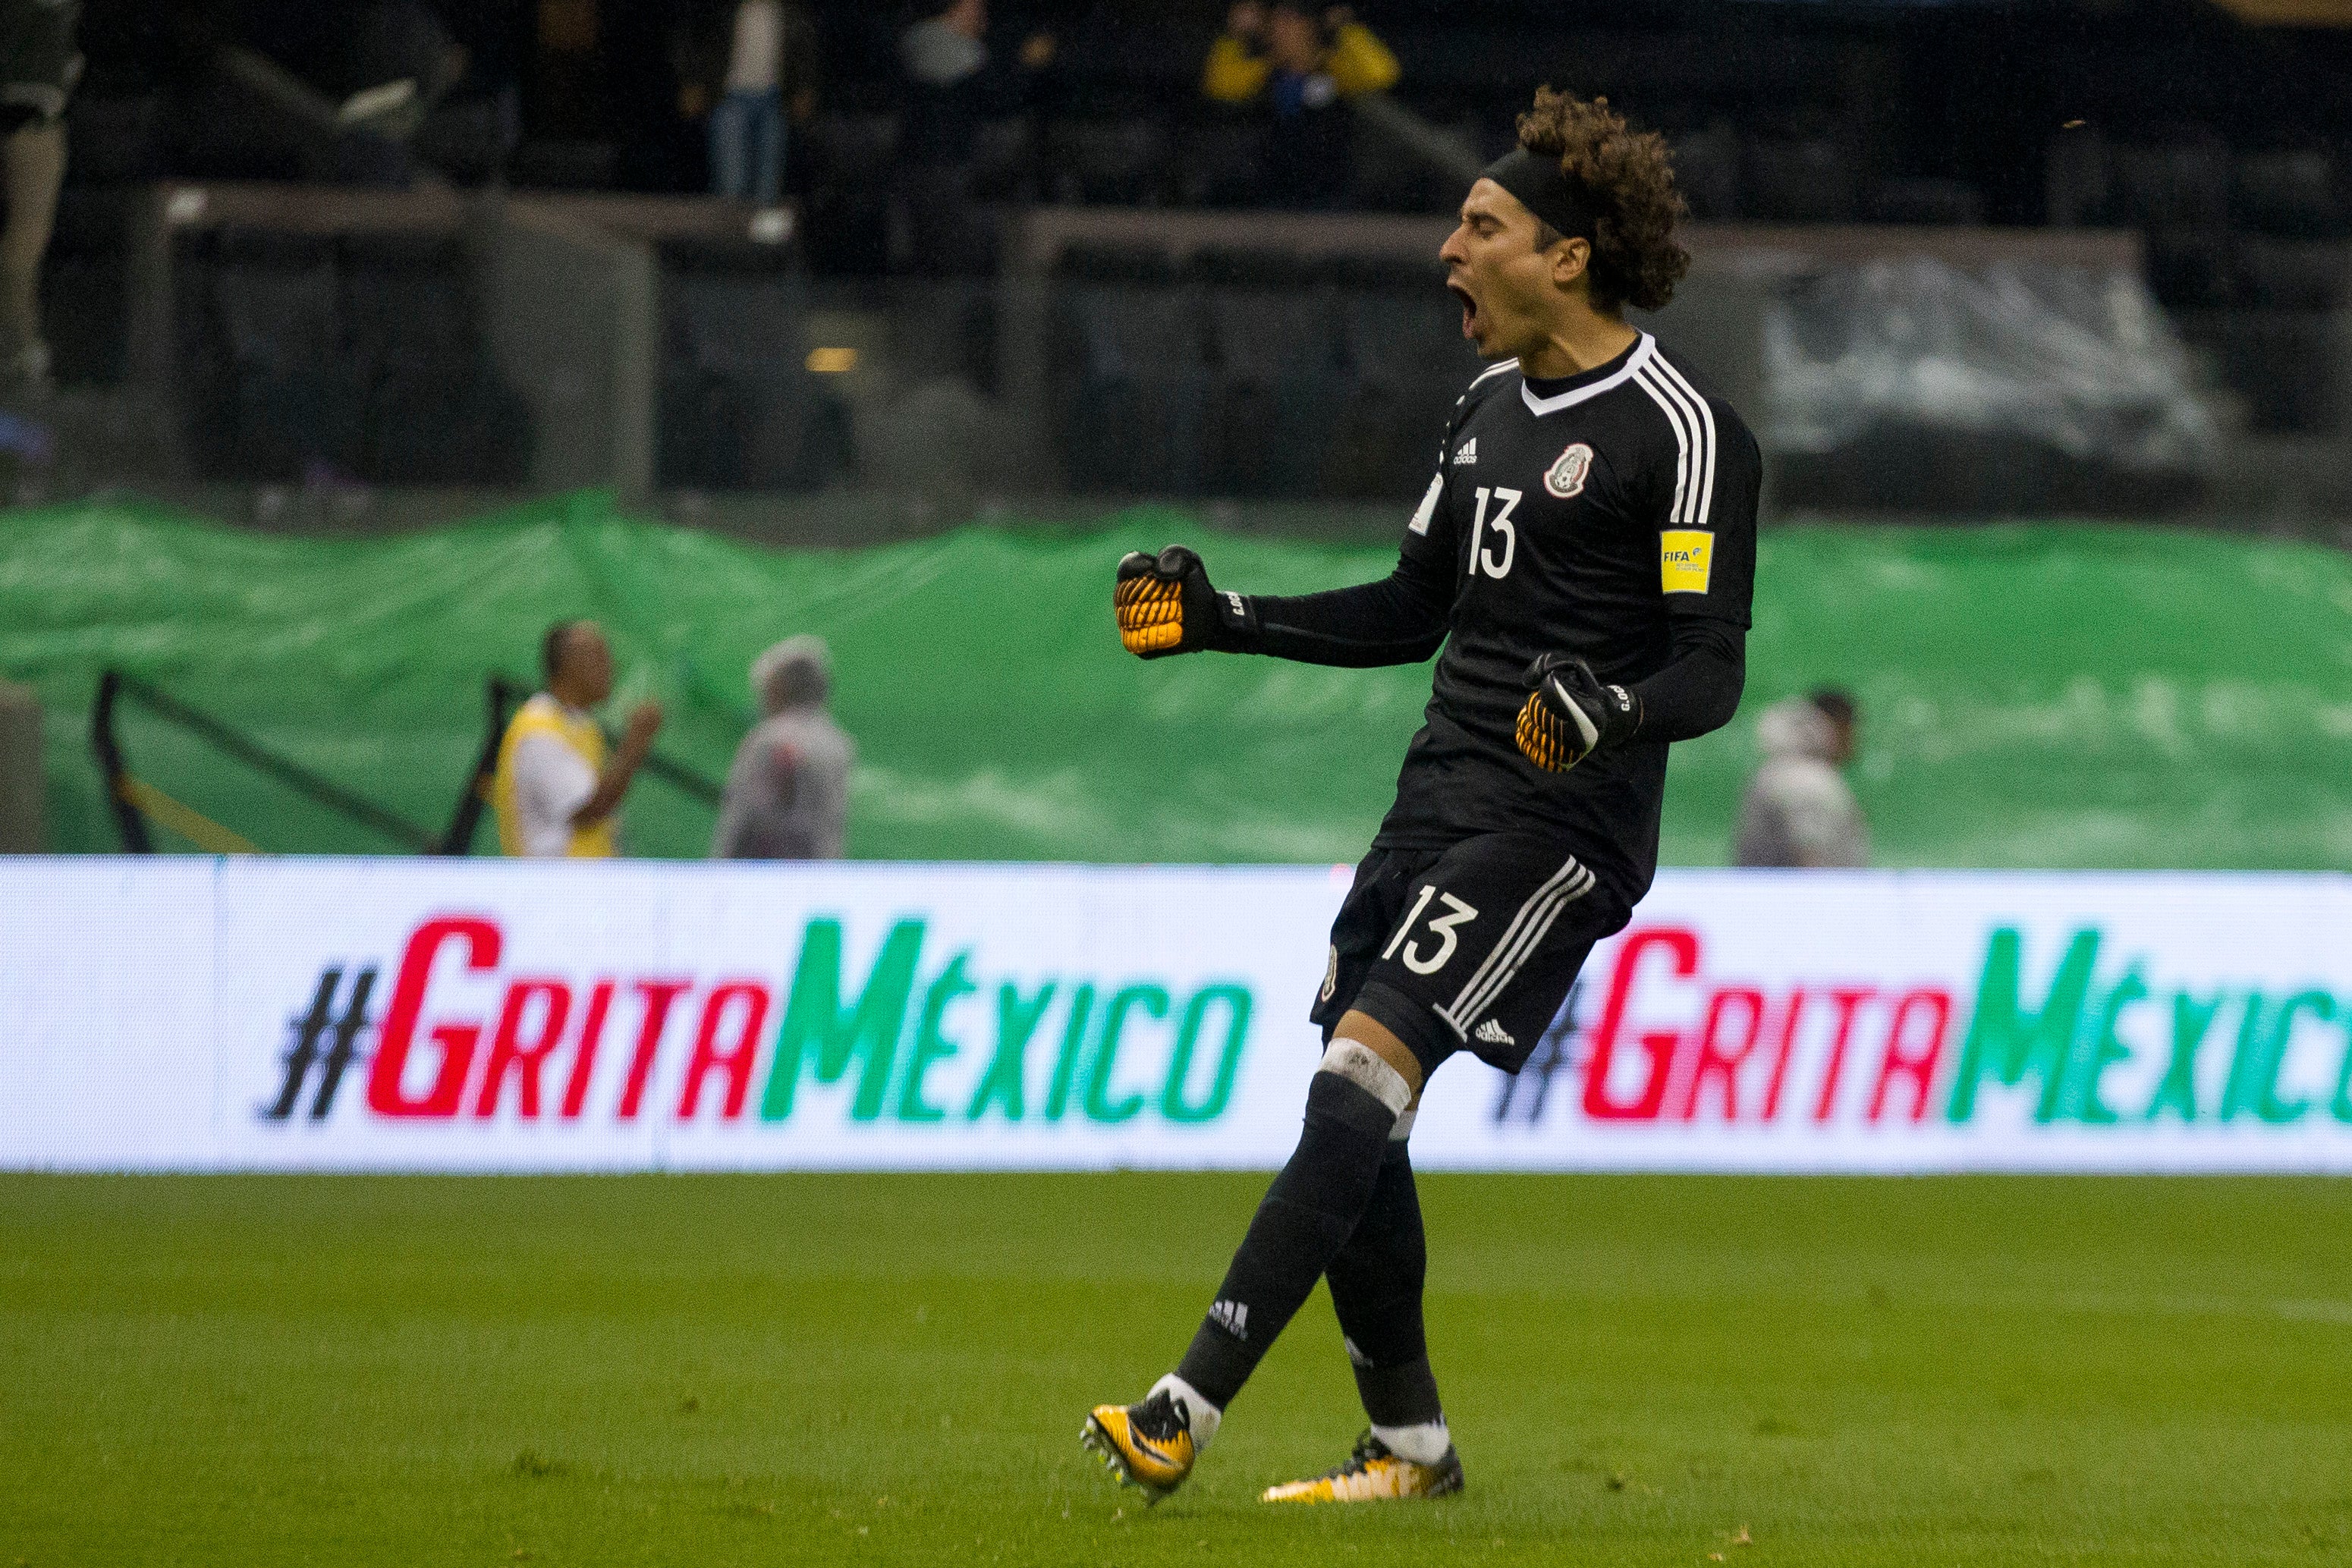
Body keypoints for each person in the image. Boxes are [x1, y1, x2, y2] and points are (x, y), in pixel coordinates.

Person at [1084, 88, 1759, 1505]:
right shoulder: (1479, 407)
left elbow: (1709, 667)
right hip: (1432, 799)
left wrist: (1616, 708)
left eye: (1479, 225)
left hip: (1556, 824)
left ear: (1564, 254)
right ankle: (1409, 1445)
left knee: (1362, 1076)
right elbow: (1412, 607)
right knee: (1357, 1104)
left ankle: (1183, 1407)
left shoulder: (1683, 430)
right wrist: (1227, 617)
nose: (1447, 250)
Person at [895, 0, 1051, 273]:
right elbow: (1000, 96)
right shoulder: (929, 39)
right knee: (941, 257)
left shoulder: (959, 48)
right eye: (976, 10)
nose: (983, 21)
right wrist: (1027, 64)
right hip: (935, 167)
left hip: (947, 166)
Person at [492, 619, 664, 859]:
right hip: (556, 888)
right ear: (567, 667)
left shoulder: (581, 724)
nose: (611, 666)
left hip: (585, 886)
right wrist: (636, 740)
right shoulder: (539, 731)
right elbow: (588, 810)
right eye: (598, 657)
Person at [1202, 2, 1395, 208]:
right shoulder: (1264, 73)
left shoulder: (1334, 69)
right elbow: (1219, 85)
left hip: (1332, 197)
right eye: (1275, 23)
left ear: (1311, 28)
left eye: (1290, 22)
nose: (1280, 31)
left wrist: (1346, 30)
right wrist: (1236, 37)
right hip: (1273, 196)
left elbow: (1381, 75)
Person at [712, 635, 852, 859]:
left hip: (764, 877)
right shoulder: (837, 743)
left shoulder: (769, 738)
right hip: (818, 873)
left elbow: (745, 816)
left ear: (778, 688)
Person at [0, 0, 80, 393]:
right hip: (29, 111)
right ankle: (18, 349)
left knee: (27, 237)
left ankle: (19, 347)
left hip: (35, 109)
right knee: (26, 235)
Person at [683, 0, 816, 205]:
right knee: (732, 182)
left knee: (768, 187)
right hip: (731, 100)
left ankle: (760, 236)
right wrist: (694, 82)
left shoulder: (789, 12)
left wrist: (803, 89)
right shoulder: (724, 9)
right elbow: (699, 43)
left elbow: (803, 51)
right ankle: (726, 235)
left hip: (773, 104)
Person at [1734, 688, 1867, 868]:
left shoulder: (1777, 771)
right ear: (1840, 726)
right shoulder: (1808, 781)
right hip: (1804, 895)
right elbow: (1811, 862)